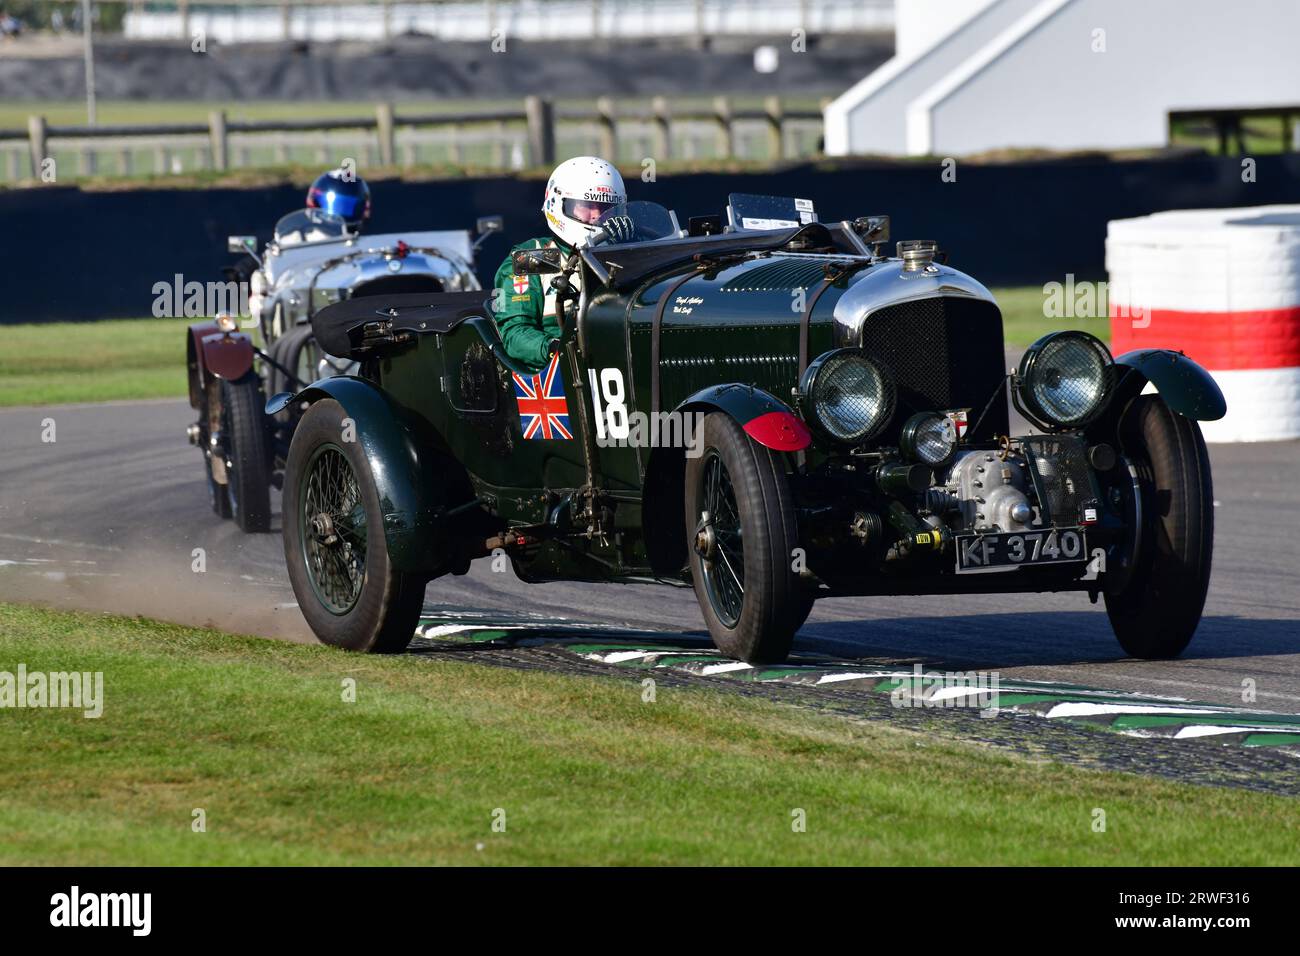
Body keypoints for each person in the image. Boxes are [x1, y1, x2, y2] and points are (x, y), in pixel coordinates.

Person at [493, 156, 635, 369]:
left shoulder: (634, 249)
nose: (597, 214)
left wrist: (630, 248)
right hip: (564, 373)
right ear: (558, 204)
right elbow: (515, 334)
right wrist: (556, 349)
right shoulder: (533, 257)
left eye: (606, 206)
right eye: (587, 205)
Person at [305, 168, 371, 231]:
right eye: (337, 205)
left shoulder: (368, 241)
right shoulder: (299, 239)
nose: (338, 218)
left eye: (346, 205)